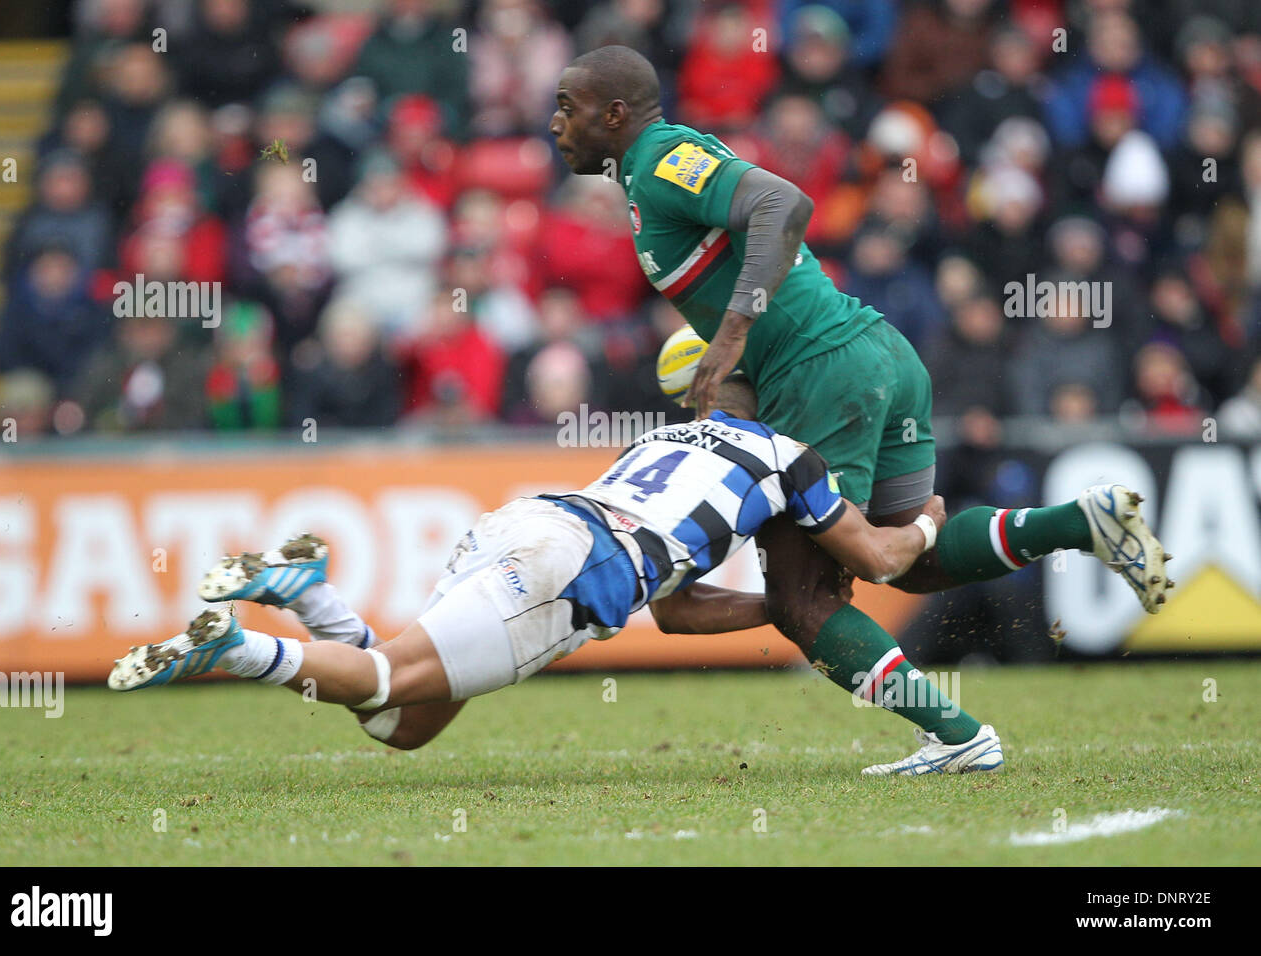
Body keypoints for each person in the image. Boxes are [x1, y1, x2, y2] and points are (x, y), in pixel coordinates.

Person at [548, 45, 1172, 773]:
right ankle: (1079, 521)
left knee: (804, 602)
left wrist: (733, 333)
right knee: (907, 557)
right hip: (870, 355)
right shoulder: (646, 174)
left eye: (569, 107)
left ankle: (958, 735)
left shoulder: (661, 158)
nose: (557, 123)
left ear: (615, 114)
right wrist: (735, 378)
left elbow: (785, 203)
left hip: (824, 372)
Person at [107, 378, 1009, 777]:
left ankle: (309, 592)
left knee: (402, 725)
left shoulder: (664, 439)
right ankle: (238, 645)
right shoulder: (787, 453)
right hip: (579, 575)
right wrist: (929, 511)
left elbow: (684, 616)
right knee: (385, 685)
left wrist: (773, 609)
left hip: (533, 521)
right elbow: (884, 560)